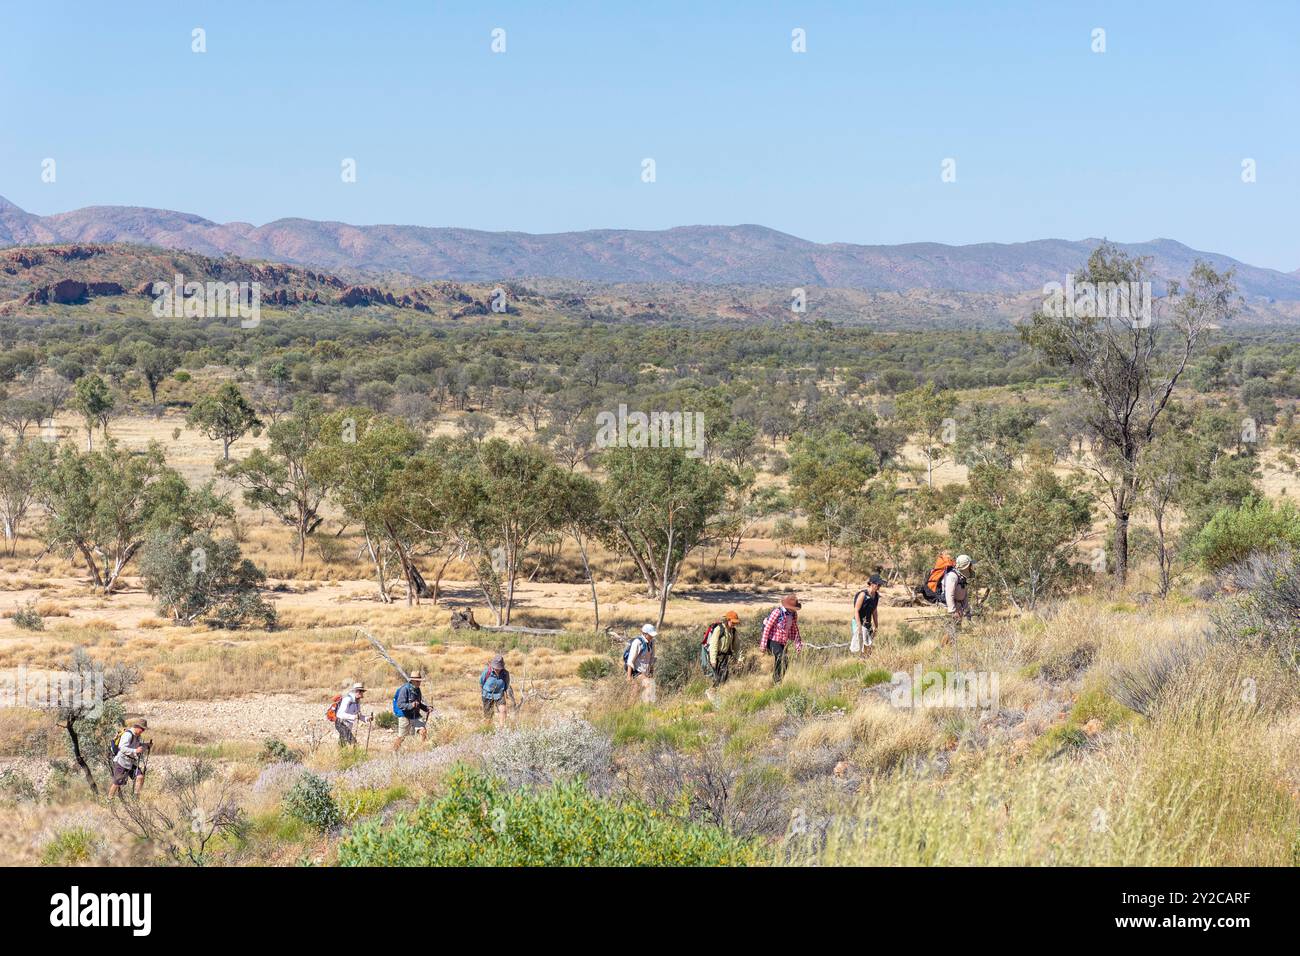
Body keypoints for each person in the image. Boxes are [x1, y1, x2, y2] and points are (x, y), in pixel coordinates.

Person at [760, 595, 802, 684]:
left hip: (783, 642)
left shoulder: (793, 615)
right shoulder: (777, 612)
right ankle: (777, 681)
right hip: (773, 640)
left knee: (785, 661)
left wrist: (798, 645)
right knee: (781, 657)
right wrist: (763, 646)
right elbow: (767, 628)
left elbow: (794, 630)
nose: (794, 609)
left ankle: (778, 681)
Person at [107, 718, 150, 799]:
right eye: (142, 729)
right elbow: (122, 748)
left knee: (140, 777)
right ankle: (109, 800)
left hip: (131, 762)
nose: (143, 731)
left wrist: (146, 746)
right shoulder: (128, 735)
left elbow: (137, 745)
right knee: (117, 782)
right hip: (122, 761)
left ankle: (136, 799)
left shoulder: (137, 735)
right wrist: (135, 750)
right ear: (137, 727)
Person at [392, 669, 430, 751]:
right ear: (412, 681)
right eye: (417, 681)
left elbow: (419, 703)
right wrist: (411, 705)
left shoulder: (417, 690)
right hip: (404, 715)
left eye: (419, 681)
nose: (419, 683)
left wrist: (426, 708)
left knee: (423, 731)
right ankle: (394, 751)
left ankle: (422, 750)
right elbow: (400, 704)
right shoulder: (404, 689)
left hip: (415, 715)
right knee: (401, 737)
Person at [702, 611, 740, 686]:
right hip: (715, 656)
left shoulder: (733, 631)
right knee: (714, 678)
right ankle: (710, 692)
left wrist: (739, 659)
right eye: (733, 622)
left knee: (723, 677)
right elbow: (713, 646)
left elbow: (737, 647)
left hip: (724, 657)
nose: (734, 624)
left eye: (735, 623)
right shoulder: (719, 629)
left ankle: (719, 692)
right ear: (728, 620)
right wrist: (713, 660)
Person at [942, 554, 972, 645]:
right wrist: (953, 611)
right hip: (951, 607)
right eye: (970, 565)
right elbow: (949, 594)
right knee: (951, 630)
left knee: (956, 629)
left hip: (958, 607)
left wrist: (967, 610)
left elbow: (964, 595)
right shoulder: (952, 576)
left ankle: (951, 648)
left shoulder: (962, 577)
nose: (971, 567)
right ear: (965, 566)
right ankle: (944, 649)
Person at [852, 574, 885, 652]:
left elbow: (874, 611)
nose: (879, 586)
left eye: (880, 584)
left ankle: (864, 661)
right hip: (858, 622)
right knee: (861, 645)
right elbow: (856, 610)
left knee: (868, 645)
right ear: (872, 584)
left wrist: (876, 625)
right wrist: (859, 626)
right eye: (878, 584)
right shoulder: (863, 595)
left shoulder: (876, 595)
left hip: (867, 623)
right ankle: (857, 661)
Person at [625, 623, 657, 703]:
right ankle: (647, 708)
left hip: (646, 671)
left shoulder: (652, 642)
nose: (652, 636)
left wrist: (651, 672)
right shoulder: (637, 642)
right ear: (644, 633)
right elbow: (630, 661)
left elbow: (652, 659)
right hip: (636, 671)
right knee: (649, 685)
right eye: (650, 635)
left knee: (635, 692)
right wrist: (629, 677)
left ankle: (631, 710)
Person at [480, 654, 517, 720]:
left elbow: (507, 684)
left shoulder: (505, 673)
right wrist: (484, 691)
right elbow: (481, 682)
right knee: (488, 716)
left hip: (500, 694)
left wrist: (506, 693)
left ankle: (502, 729)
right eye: (496, 667)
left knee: (503, 711)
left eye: (499, 667)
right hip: (487, 695)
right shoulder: (487, 671)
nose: (498, 669)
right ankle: (488, 728)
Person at [335, 683, 370, 747]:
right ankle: (354, 755)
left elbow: (359, 715)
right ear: (356, 691)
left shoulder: (357, 702)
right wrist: (353, 717)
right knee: (353, 742)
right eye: (361, 691)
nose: (362, 694)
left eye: (362, 691)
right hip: (340, 723)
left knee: (342, 744)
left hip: (348, 725)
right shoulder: (347, 699)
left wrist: (367, 718)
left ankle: (340, 755)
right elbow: (340, 714)